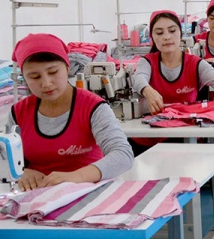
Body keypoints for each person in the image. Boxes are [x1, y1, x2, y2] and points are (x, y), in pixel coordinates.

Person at [9, 33, 134, 191]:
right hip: (37, 194)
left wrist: (76, 177)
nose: (46, 83)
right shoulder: (18, 113)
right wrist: (21, 172)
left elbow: (123, 155)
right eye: (34, 77)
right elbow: (5, 159)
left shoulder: (93, 107)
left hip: (86, 190)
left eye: (53, 72)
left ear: (67, 67)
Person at [133, 11, 214, 117]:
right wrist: (147, 90)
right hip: (155, 129)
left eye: (172, 31)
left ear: (180, 33)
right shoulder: (147, 62)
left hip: (187, 128)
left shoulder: (195, 64)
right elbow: (139, 78)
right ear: (152, 37)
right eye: (159, 33)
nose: (166, 37)